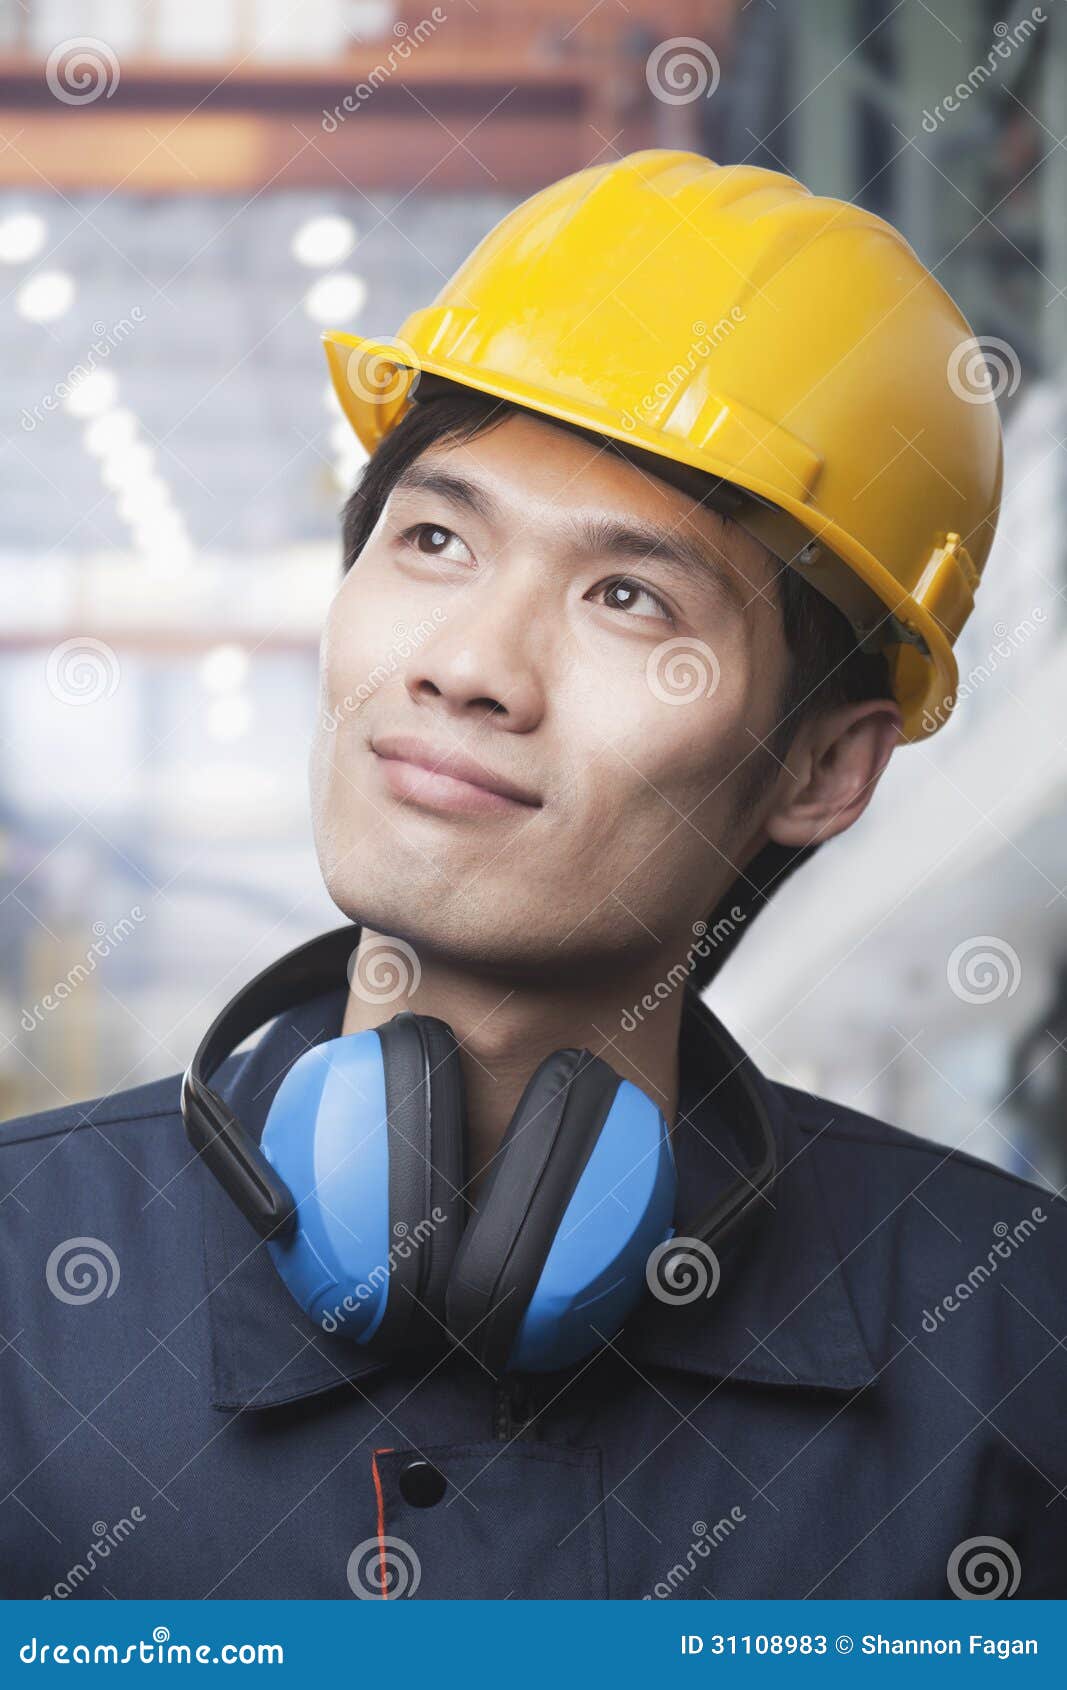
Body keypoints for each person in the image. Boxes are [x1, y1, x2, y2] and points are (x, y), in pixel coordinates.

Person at [2, 151, 1063, 1602]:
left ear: (823, 767)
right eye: (433, 538)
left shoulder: (1011, 1346)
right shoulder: (25, 1295)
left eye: (629, 596)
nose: (469, 665)